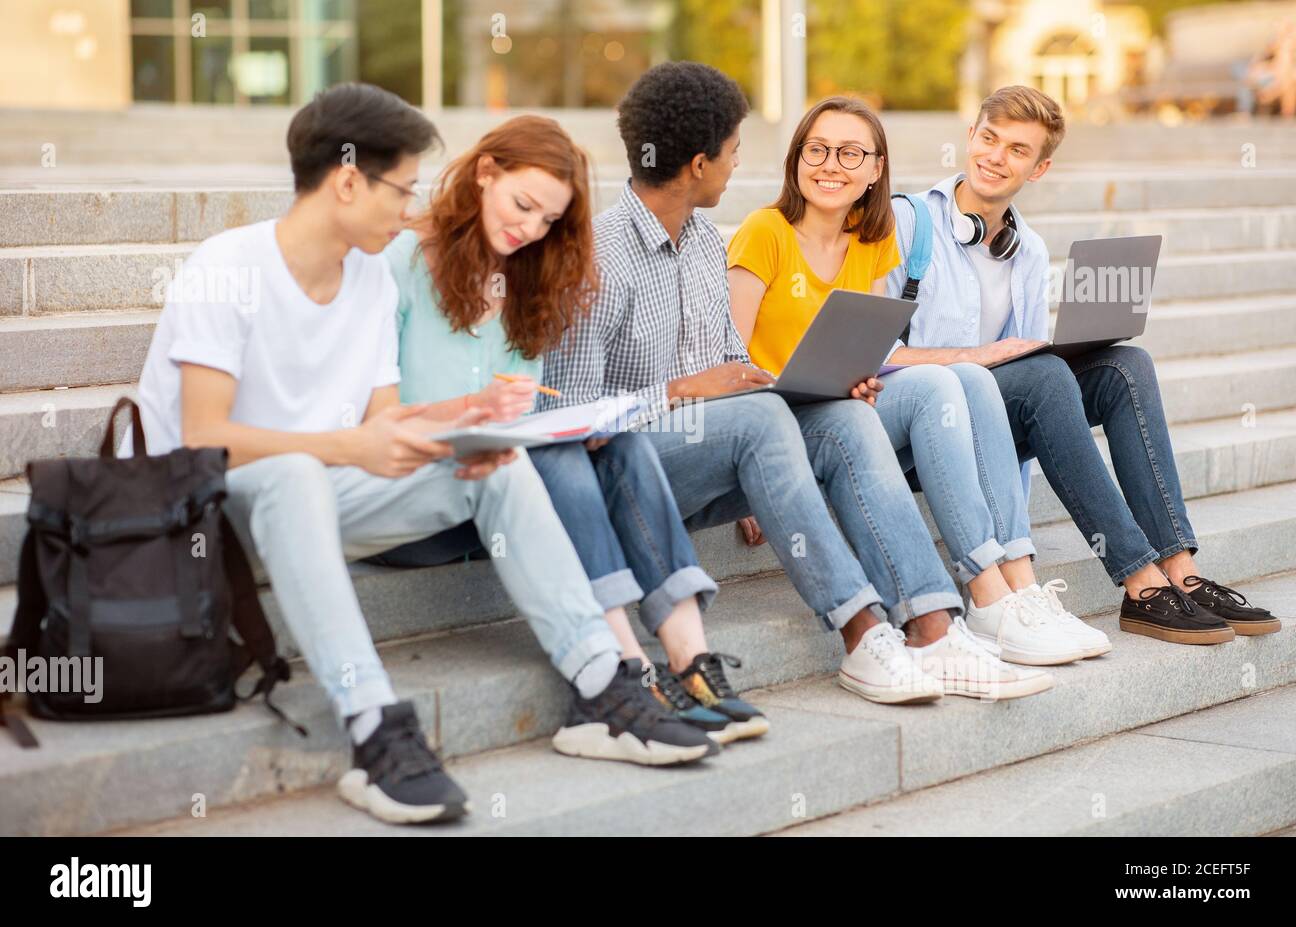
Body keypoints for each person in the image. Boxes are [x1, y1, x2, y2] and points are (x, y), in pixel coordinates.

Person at [131, 84, 715, 828]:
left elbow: (385, 421)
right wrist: (350, 446)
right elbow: (200, 440)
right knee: (294, 476)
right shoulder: (229, 266)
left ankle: (601, 685)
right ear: (347, 180)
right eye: (401, 187)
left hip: (326, 492)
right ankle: (375, 725)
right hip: (209, 504)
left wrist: (465, 426)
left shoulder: (370, 275)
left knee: (496, 468)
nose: (411, 209)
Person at [542, 62, 1054, 704]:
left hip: (719, 447)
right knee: (764, 420)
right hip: (631, 464)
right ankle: (862, 631)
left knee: (844, 416)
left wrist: (822, 386)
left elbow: (737, 370)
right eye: (731, 153)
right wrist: (680, 393)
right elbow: (565, 415)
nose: (737, 166)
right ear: (699, 163)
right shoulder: (595, 255)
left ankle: (931, 627)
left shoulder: (704, 241)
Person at [372, 114, 767, 745]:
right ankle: (624, 674)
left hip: (505, 487)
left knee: (619, 440)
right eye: (522, 205)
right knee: (556, 460)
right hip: (421, 492)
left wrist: (571, 423)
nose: (529, 229)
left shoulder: (526, 277)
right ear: (484, 174)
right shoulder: (399, 265)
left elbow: (525, 412)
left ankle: (691, 663)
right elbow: (372, 420)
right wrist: (474, 409)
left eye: (548, 221)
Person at [885, 85, 1281, 644]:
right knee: (1043, 375)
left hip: (989, 419)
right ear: (970, 136)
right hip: (923, 426)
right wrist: (974, 357)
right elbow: (873, 357)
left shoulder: (1029, 250)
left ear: (1039, 169)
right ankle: (1139, 581)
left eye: (1017, 150)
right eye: (990, 138)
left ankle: (1181, 571)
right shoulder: (906, 223)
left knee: (1126, 366)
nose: (996, 157)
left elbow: (1017, 378)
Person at [727, 96, 1109, 664]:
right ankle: (985, 592)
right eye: (818, 149)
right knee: (942, 380)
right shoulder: (764, 231)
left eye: (851, 153)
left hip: (844, 408)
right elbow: (726, 358)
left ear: (876, 169)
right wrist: (748, 473)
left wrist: (878, 376)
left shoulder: (874, 241)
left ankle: (1011, 592)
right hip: (777, 425)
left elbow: (873, 352)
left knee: (968, 380)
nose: (831, 164)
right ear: (796, 158)